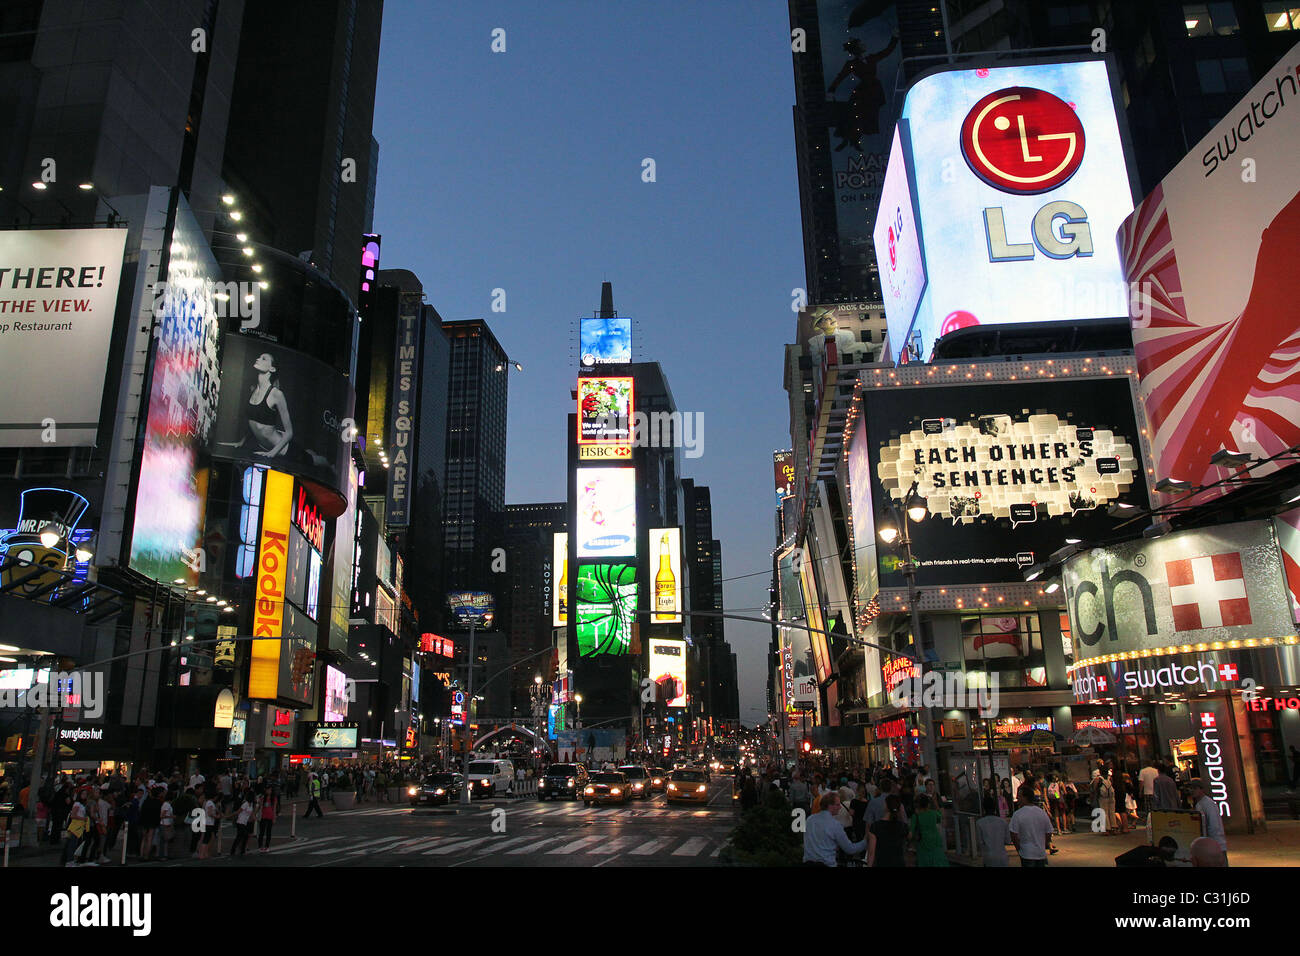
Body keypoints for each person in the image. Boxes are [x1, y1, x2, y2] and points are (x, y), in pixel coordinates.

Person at [803, 791, 867, 867]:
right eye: (837, 805)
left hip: (808, 863)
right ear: (830, 806)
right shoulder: (835, 825)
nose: (840, 807)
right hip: (827, 864)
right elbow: (850, 849)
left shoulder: (810, 819)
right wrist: (866, 841)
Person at [1009, 788, 1055, 867]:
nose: (1017, 798)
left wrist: (1019, 849)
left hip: (1026, 853)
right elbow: (1049, 831)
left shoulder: (1018, 814)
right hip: (1040, 853)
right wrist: (1043, 844)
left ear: (1025, 797)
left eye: (1019, 796)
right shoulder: (1041, 813)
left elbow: (1013, 834)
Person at [1189, 779, 1228, 864]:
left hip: (1215, 845)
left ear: (1201, 789)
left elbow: (1214, 826)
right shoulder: (1199, 804)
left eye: (1195, 788)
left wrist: (1210, 843)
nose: (1192, 790)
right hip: (1210, 846)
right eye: (1191, 788)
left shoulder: (1208, 804)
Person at [868, 794, 909, 867]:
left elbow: (871, 852)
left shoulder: (875, 826)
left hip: (882, 862)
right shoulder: (903, 826)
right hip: (899, 862)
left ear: (886, 806)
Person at [909, 793, 948, 867]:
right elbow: (940, 817)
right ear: (928, 804)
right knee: (938, 861)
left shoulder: (915, 816)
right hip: (935, 840)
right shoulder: (933, 813)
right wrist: (935, 803)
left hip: (923, 842)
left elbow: (911, 833)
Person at [976, 796, 1010, 867]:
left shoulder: (980, 823)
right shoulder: (1003, 822)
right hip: (1002, 857)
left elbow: (980, 842)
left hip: (988, 857)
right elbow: (1007, 841)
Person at [63, 791, 90, 867]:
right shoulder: (77, 804)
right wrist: (83, 818)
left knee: (74, 845)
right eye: (83, 794)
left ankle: (71, 860)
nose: (85, 795)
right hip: (75, 827)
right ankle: (69, 861)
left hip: (79, 827)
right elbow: (73, 815)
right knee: (72, 845)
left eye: (86, 794)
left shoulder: (82, 804)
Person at [137, 787, 162, 862]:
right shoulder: (158, 803)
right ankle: (146, 855)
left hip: (144, 821)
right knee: (150, 838)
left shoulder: (146, 801)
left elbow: (141, 810)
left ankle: (141, 854)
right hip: (153, 821)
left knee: (144, 838)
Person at [230, 790, 254, 856]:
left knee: (242, 836)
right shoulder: (245, 804)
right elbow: (238, 811)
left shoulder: (251, 804)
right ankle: (237, 850)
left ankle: (239, 850)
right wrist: (229, 815)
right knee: (242, 836)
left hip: (244, 823)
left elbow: (251, 814)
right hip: (240, 822)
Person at [257, 784, 279, 853]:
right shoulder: (263, 797)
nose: (268, 791)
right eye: (267, 790)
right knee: (262, 832)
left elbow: (274, 808)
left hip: (270, 816)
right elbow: (259, 806)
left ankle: (267, 846)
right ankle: (260, 846)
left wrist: (274, 817)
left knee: (268, 832)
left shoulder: (274, 798)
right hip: (263, 816)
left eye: (269, 790)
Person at [158, 789, 175, 861]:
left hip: (165, 823)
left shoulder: (165, 804)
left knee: (164, 840)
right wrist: (171, 817)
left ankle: (164, 855)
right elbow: (162, 815)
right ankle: (164, 855)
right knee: (165, 840)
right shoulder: (167, 805)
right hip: (165, 824)